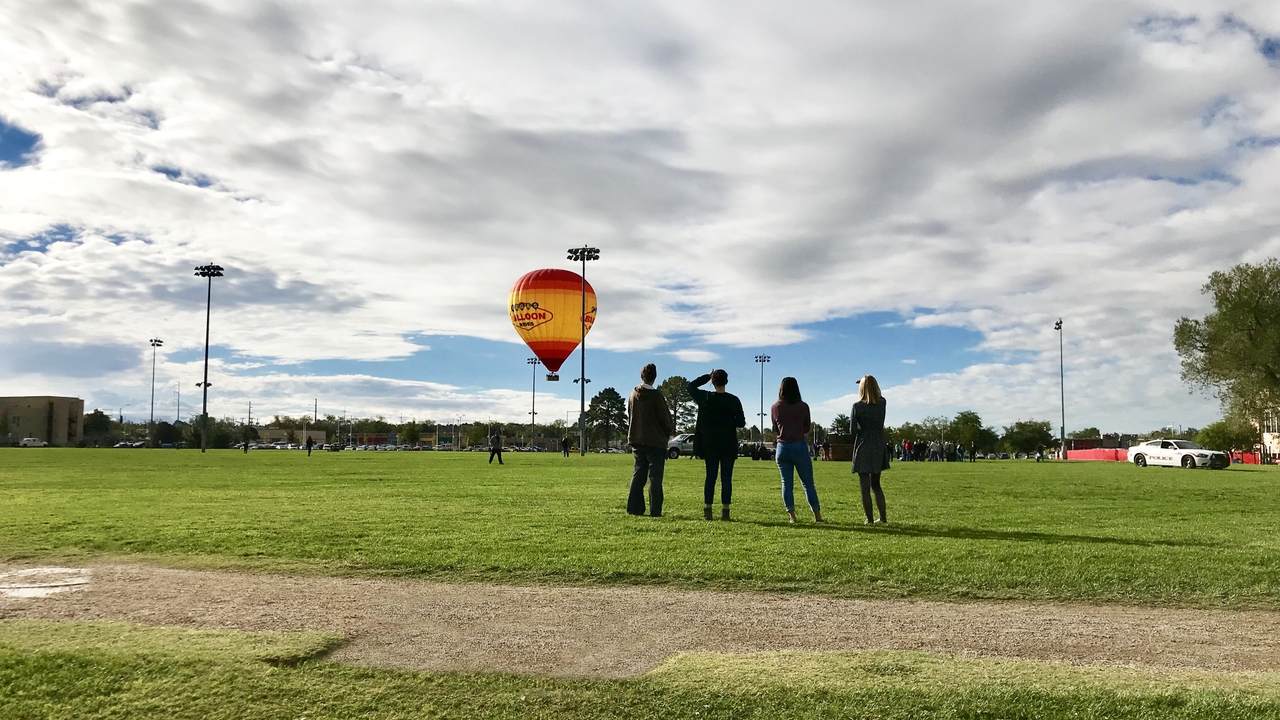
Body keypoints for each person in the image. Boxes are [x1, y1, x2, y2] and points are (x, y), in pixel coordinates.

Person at [689, 369, 746, 521]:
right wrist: (727, 421)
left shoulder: (705, 398)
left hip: (709, 445)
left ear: (713, 382)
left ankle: (708, 510)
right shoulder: (734, 400)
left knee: (710, 477)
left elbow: (690, 387)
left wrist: (706, 376)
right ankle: (725, 511)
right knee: (726, 478)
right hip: (728, 443)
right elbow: (741, 422)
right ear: (726, 382)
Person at [627, 363, 677, 517]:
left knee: (638, 474)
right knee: (655, 477)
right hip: (655, 442)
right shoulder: (656, 396)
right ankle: (655, 510)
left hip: (637, 439)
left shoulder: (633, 395)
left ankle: (634, 508)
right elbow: (665, 419)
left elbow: (630, 414)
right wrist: (669, 432)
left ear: (641, 376)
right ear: (654, 378)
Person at [772, 377, 823, 524]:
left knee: (786, 483)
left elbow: (775, 428)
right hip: (799, 446)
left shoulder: (775, 407)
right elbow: (807, 427)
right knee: (808, 483)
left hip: (782, 448)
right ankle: (817, 516)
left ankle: (792, 516)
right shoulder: (803, 406)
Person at [851, 375, 889, 525]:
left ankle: (870, 519)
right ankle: (883, 517)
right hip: (878, 443)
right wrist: (869, 384)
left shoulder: (857, 406)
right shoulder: (882, 403)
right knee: (876, 484)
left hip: (863, 444)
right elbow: (879, 396)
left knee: (864, 486)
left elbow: (852, 430)